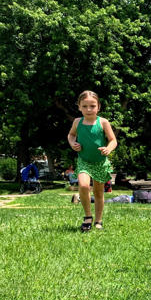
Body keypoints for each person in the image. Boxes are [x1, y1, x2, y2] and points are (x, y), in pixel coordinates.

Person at [67, 90, 117, 232]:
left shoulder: (103, 122)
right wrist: (72, 143)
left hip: (100, 162)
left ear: (98, 107)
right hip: (84, 161)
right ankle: (88, 217)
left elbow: (113, 140)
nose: (88, 109)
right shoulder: (77, 122)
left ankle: (98, 220)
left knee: (98, 192)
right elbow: (71, 135)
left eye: (92, 106)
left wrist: (108, 148)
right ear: (79, 107)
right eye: (84, 106)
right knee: (83, 186)